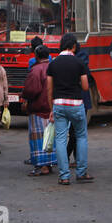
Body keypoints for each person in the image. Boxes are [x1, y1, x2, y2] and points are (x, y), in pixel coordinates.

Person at [46, 33, 90, 185]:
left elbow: (49, 90)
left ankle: (64, 176)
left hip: (59, 104)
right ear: (74, 46)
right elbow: (85, 86)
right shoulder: (79, 63)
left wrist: (52, 108)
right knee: (81, 137)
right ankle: (81, 173)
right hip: (76, 104)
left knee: (60, 139)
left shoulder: (53, 64)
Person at [21, 45, 55, 176]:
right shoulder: (53, 67)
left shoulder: (36, 70)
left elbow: (31, 90)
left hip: (39, 109)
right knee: (51, 137)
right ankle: (50, 164)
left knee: (39, 138)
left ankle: (42, 167)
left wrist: (24, 98)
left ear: (36, 56)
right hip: (53, 108)